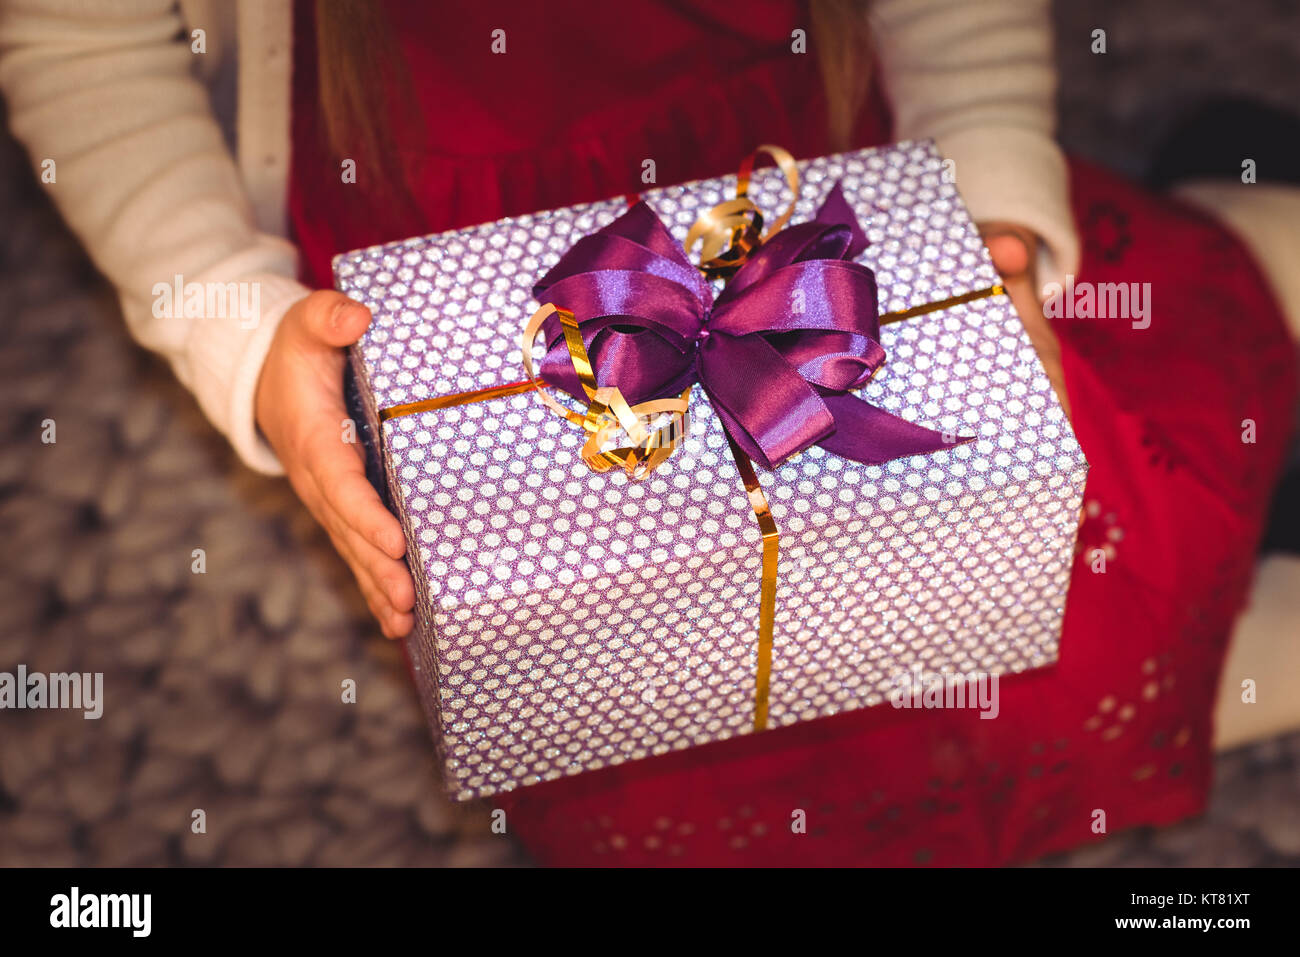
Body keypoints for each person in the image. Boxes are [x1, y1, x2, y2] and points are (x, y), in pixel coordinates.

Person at [2, 0, 1296, 865]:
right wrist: (242, 327)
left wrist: (994, 192)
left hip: (813, 201)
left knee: (1084, 500)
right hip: (455, 259)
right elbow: (80, 40)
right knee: (696, 735)